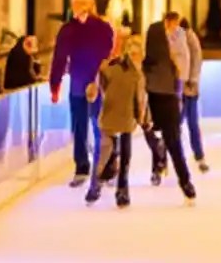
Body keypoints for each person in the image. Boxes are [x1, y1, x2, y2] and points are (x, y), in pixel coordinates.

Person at [49, 0, 115, 187]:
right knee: (79, 126)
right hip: (78, 83)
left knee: (101, 126)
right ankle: (82, 166)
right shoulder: (68, 30)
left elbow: (109, 55)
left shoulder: (102, 28)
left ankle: (106, 165)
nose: (79, 9)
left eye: (83, 4)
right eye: (76, 5)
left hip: (98, 83)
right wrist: (55, 84)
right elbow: (59, 58)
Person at [85, 35, 149, 208]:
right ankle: (122, 191)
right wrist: (142, 119)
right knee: (125, 158)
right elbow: (140, 101)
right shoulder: (137, 75)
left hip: (109, 120)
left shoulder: (111, 67)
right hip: (126, 121)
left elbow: (102, 85)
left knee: (103, 156)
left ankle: (94, 188)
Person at [143, 11, 197, 204]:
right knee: (152, 133)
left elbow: (187, 57)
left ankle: (185, 181)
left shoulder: (179, 38)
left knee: (173, 140)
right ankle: (159, 163)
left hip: (169, 96)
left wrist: (188, 79)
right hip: (155, 93)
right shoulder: (155, 34)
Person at [180, 17, 209, 173]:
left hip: (188, 89)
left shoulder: (189, 40)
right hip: (184, 88)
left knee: (189, 123)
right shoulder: (186, 39)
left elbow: (196, 61)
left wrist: (191, 80)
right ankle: (197, 156)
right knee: (185, 123)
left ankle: (199, 156)